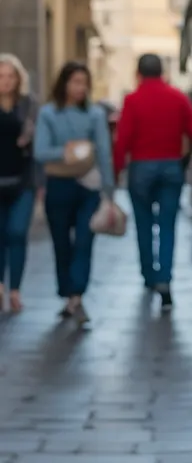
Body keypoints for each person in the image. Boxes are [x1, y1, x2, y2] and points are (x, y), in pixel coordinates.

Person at [114, 53, 192, 309]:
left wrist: (117, 168)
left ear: (138, 74)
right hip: (171, 166)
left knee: (143, 225)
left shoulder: (132, 100)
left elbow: (123, 138)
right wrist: (183, 159)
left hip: (141, 168)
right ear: (163, 72)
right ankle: (165, 282)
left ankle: (149, 276)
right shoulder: (178, 97)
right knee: (168, 226)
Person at [34, 61, 114, 326]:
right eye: (75, 82)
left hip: (88, 186)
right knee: (60, 241)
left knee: (84, 239)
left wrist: (109, 191)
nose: (80, 88)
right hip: (59, 184)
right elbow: (40, 151)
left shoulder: (95, 114)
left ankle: (77, 293)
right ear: (64, 84)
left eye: (84, 82)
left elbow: (103, 152)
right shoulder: (48, 114)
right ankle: (66, 290)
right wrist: (70, 151)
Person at [0, 54, 37, 313]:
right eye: (1, 77)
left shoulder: (28, 105)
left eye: (10, 76)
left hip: (22, 181)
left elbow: (39, 142)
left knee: (17, 233)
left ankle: (15, 290)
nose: (5, 82)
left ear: (18, 79)